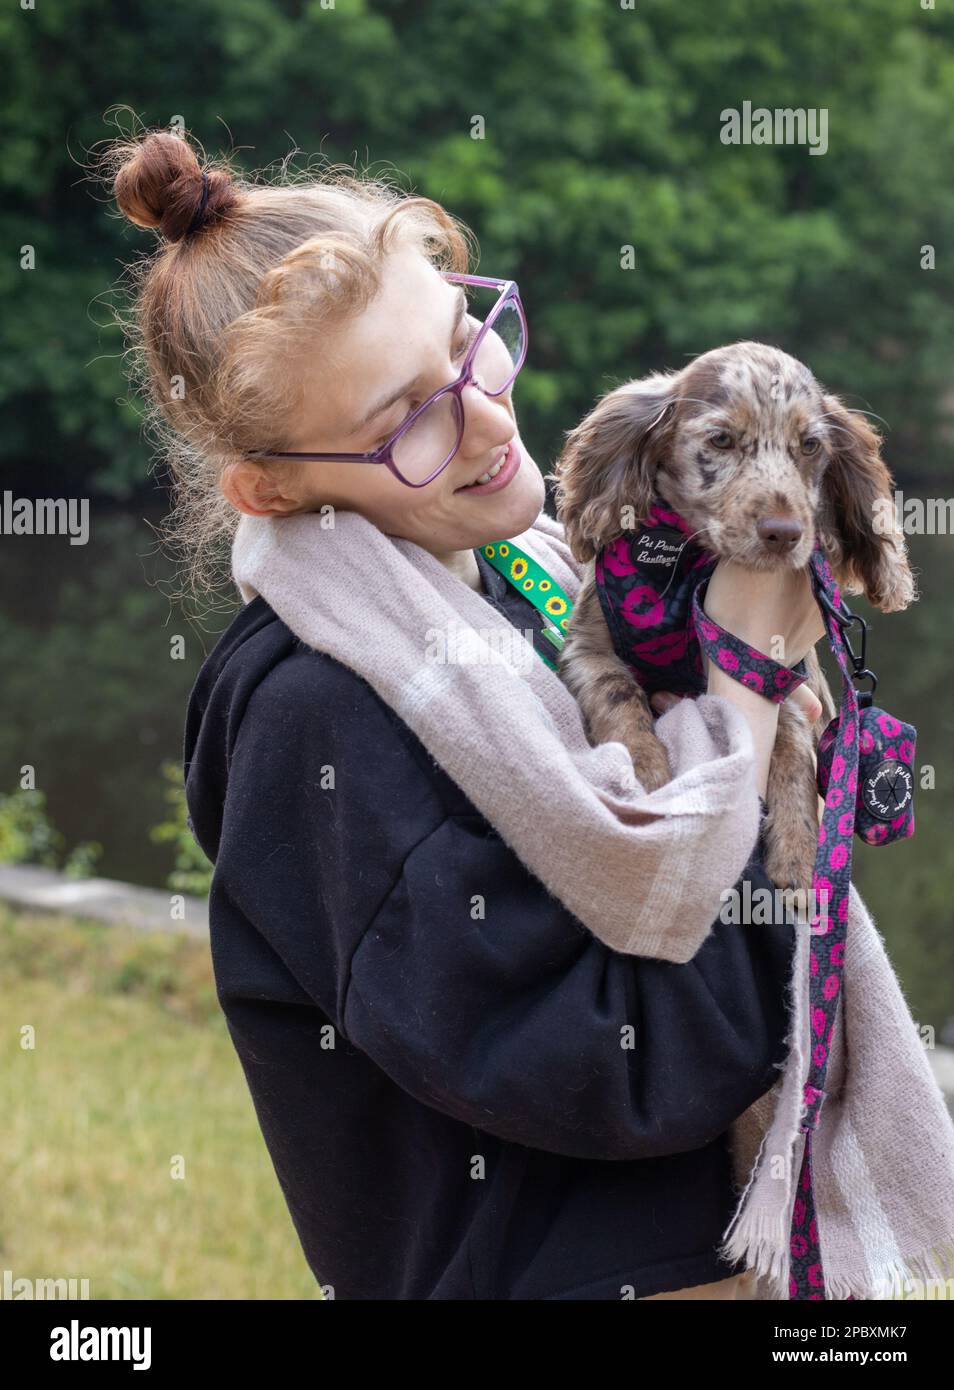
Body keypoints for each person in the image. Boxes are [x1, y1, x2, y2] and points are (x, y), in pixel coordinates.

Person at [105, 129, 827, 1301]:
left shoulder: (532, 581)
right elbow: (605, 1058)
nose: (489, 421)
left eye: (468, 343)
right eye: (406, 421)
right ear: (272, 486)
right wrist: (740, 706)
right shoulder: (313, 714)